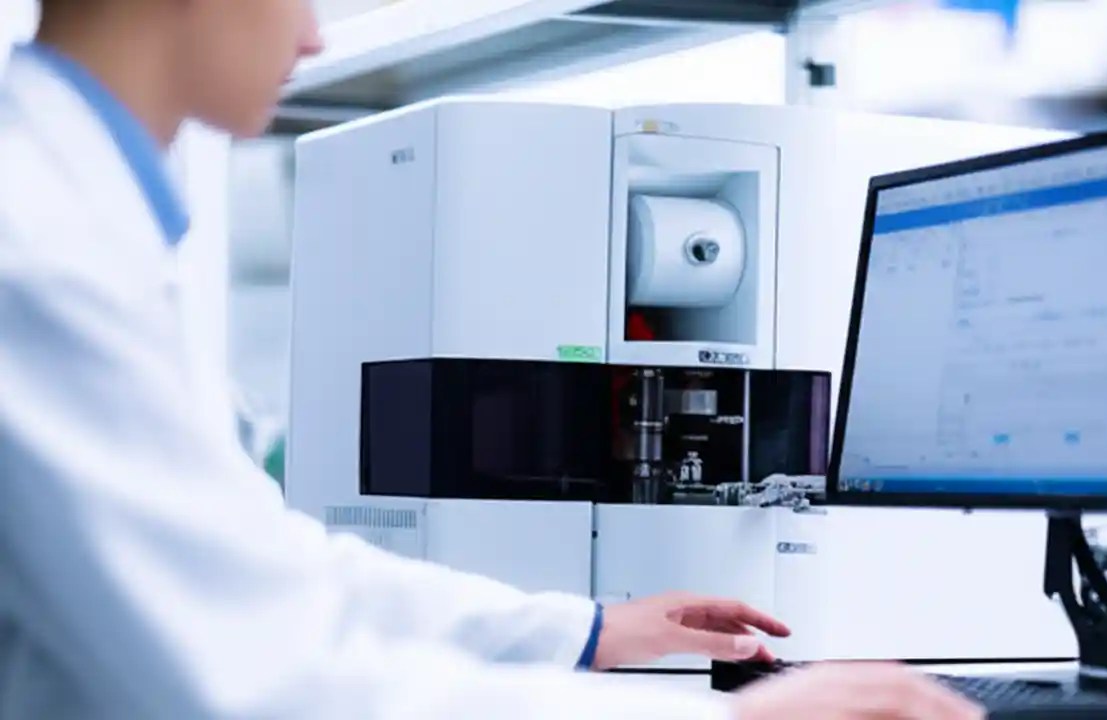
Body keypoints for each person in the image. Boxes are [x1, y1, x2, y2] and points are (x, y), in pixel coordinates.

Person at [0, 1, 984, 718]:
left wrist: (591, 630)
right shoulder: (36, 254)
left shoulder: (70, 225)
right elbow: (262, 680)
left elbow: (271, 571)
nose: (312, 38)